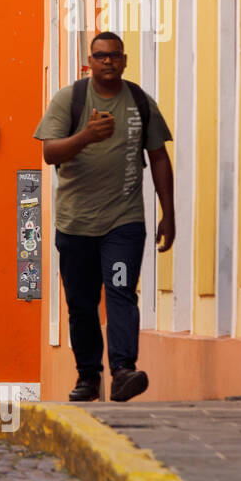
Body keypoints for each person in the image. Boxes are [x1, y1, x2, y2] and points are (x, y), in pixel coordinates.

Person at [34, 31, 175, 402]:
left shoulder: (140, 102)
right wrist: (86, 137)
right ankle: (88, 376)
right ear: (90, 63)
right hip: (75, 223)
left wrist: (168, 213)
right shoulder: (71, 99)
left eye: (115, 55)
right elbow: (50, 153)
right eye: (101, 56)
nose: (108, 61)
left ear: (124, 61)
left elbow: (159, 157)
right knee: (81, 303)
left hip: (124, 222)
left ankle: (123, 370)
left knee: (120, 292)